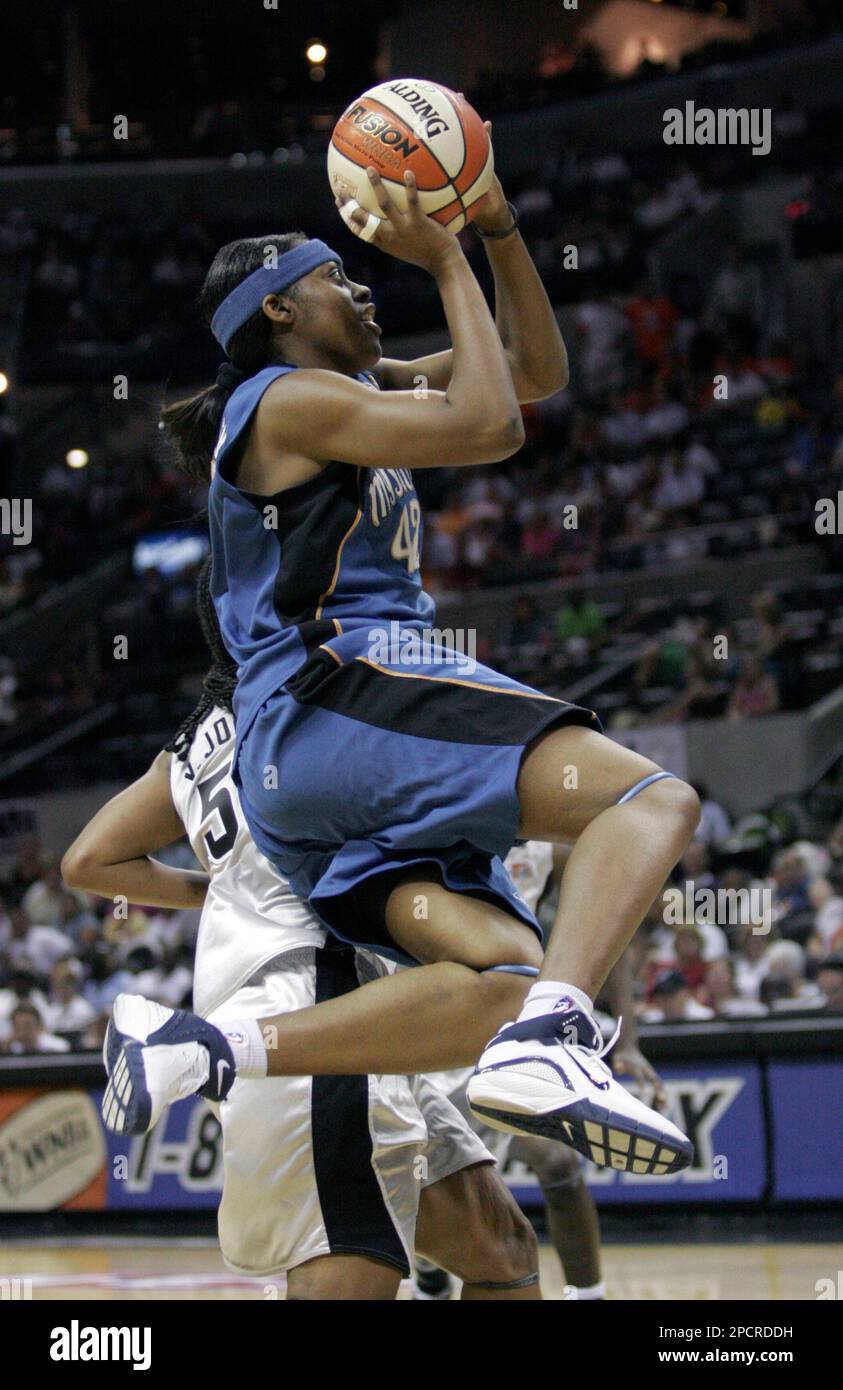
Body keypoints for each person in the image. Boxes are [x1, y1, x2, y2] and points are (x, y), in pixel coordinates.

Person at [98, 141, 699, 1172]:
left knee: (503, 984)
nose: (363, 286)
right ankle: (559, 1037)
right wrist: (447, 257)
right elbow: (492, 426)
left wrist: (495, 223)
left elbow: (533, 375)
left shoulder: (358, 386)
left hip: (320, 776)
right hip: (336, 694)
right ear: (279, 311)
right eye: (335, 274)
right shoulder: (283, 402)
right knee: (647, 801)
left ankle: (199, 1049)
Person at [63, 565, 541, 1300]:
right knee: (346, 1270)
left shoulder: (193, 744)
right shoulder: (309, 700)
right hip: (309, 994)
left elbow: (87, 861)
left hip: (330, 1012)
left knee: (500, 1249)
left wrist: (214, 887)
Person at [416, 839, 668, 1303]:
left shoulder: (547, 849)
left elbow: (608, 923)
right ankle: (429, 1275)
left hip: (507, 1032)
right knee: (430, 1184)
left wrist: (627, 1040)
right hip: (432, 1031)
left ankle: (588, 1294)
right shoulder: (434, 828)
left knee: (557, 1162)